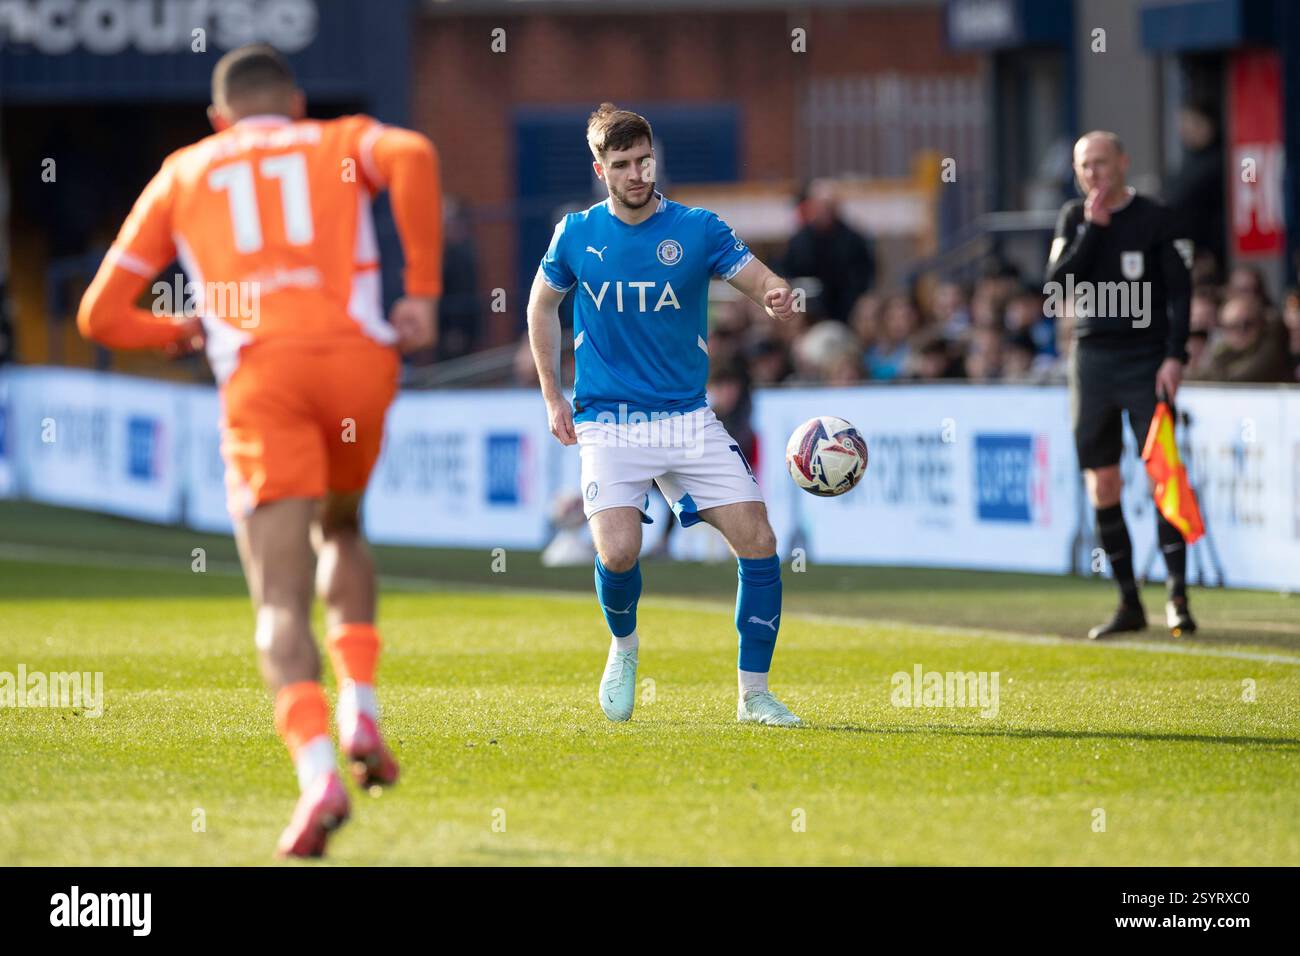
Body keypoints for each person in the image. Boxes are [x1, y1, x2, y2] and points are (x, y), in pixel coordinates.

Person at [77, 45, 441, 857]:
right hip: (358, 364)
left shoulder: (186, 169)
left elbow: (99, 316)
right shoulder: (338, 139)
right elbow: (414, 154)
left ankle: (318, 774)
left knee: (278, 596)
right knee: (342, 530)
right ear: (296, 102)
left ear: (220, 117)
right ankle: (364, 708)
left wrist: (180, 329)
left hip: (264, 376)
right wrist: (421, 291)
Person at [527, 103, 801, 728]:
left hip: (687, 418)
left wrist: (776, 293)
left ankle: (753, 695)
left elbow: (756, 278)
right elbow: (540, 308)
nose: (636, 174)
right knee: (620, 552)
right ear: (599, 169)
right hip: (608, 421)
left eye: (644, 160)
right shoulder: (575, 234)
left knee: (759, 542)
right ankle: (624, 647)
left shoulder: (697, 228)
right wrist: (552, 396)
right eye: (621, 165)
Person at [1045, 131, 1194, 640]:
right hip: (1093, 361)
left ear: (1123, 163)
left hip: (1146, 359)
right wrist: (1092, 231)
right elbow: (1056, 287)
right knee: (1102, 482)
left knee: (1162, 472)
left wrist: (1175, 356)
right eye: (1085, 166)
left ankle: (1177, 595)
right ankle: (1129, 600)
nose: (1094, 174)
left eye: (1102, 164)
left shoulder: (1156, 217)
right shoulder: (1073, 218)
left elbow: (1180, 294)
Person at [780, 179, 876, 324]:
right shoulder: (799, 242)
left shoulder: (854, 240)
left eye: (829, 206)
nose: (824, 211)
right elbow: (787, 271)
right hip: (808, 311)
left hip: (847, 309)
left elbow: (865, 272)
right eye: (820, 206)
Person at [1189, 291, 1292, 383]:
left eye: (1247, 325)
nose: (1239, 332)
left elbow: (1232, 378)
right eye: (1231, 327)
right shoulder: (1223, 354)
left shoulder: (1271, 350)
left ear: (1261, 324)